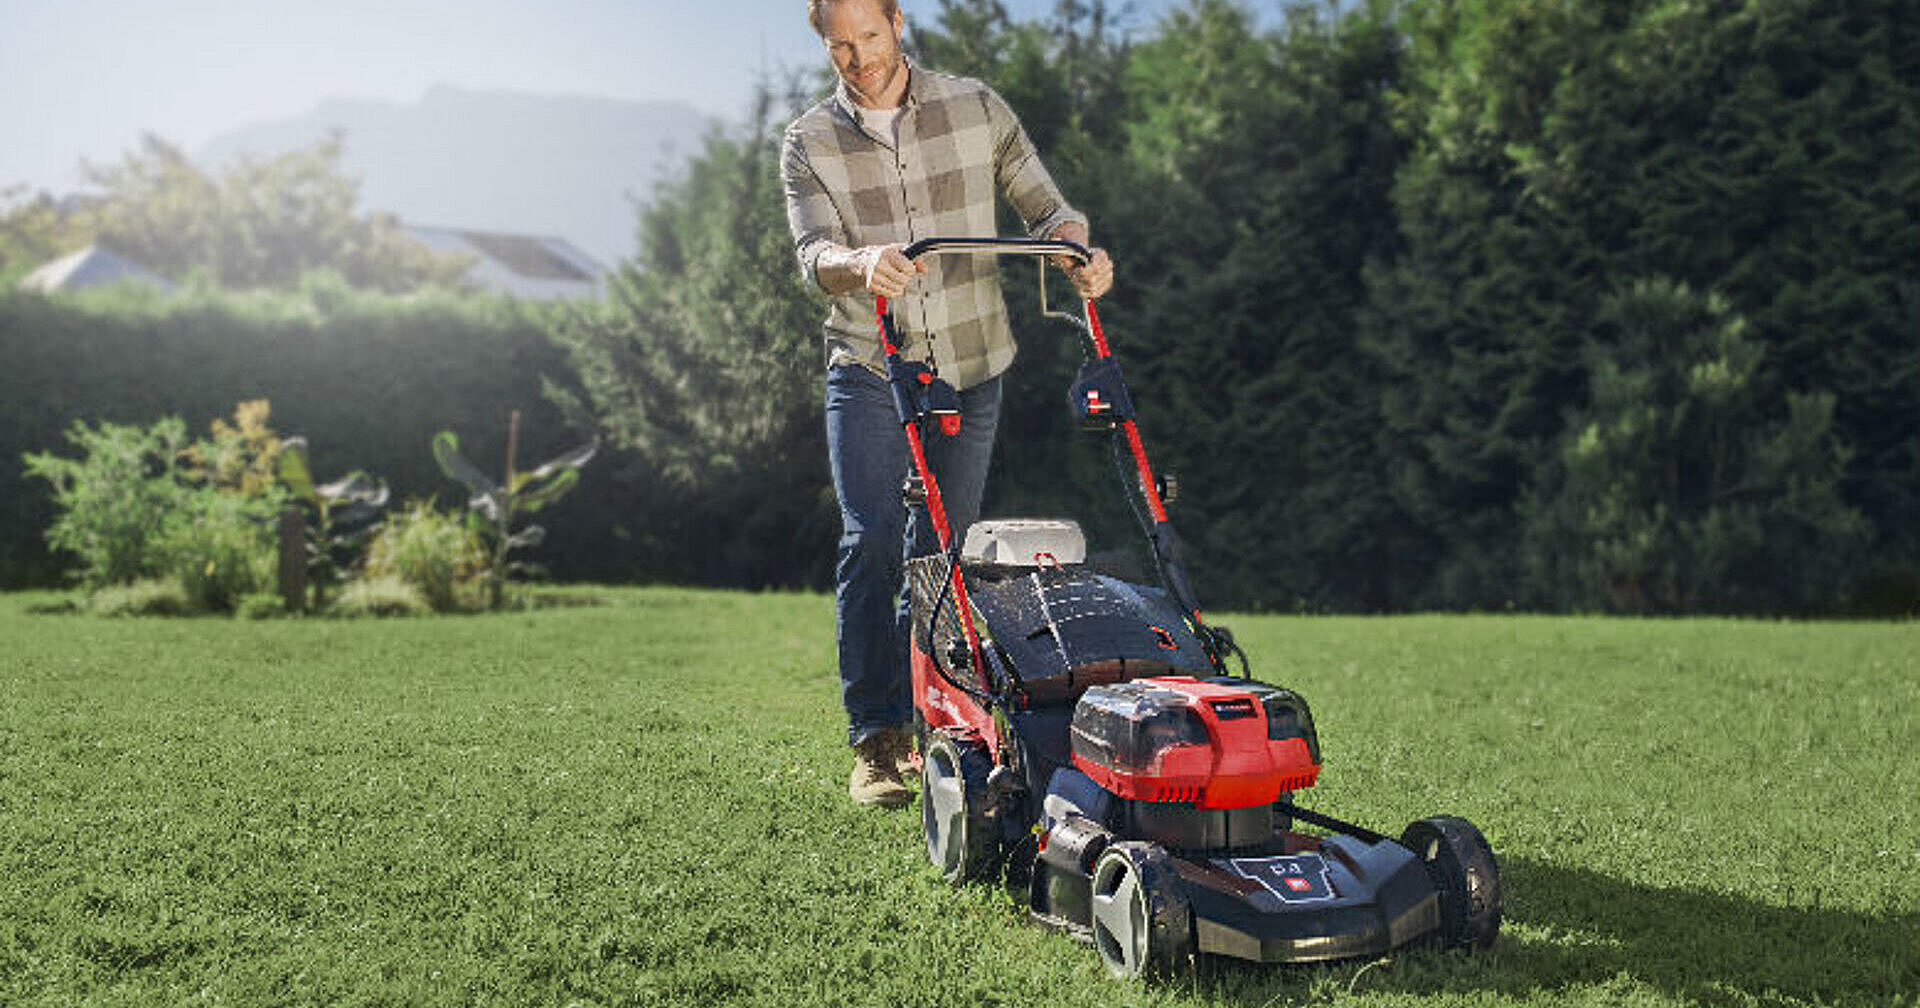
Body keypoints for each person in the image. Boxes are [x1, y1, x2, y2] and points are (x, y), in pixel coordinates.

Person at [782, 0, 1114, 807]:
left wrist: (1077, 249)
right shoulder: (808, 141)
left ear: (898, 22)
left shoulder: (976, 106)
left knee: (939, 553)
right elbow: (812, 251)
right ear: (822, 44)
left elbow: (1046, 206)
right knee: (871, 539)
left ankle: (937, 718)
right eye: (839, 47)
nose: (858, 59)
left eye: (869, 37)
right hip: (869, 362)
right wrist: (857, 262)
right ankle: (876, 740)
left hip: (972, 361)